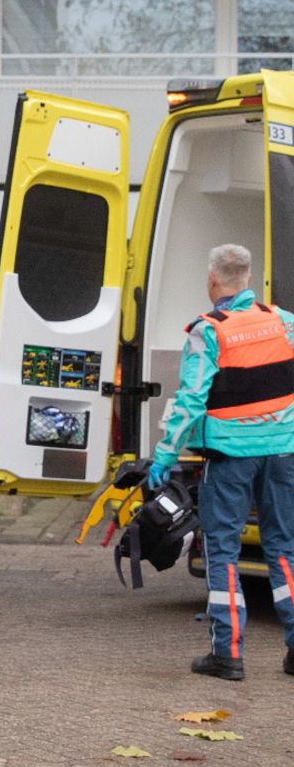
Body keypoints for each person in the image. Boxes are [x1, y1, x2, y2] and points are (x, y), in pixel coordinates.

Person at [149, 243, 294, 682]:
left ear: (213, 280)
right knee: (285, 550)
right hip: (282, 453)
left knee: (223, 551)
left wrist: (164, 455)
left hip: (230, 459)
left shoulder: (207, 331)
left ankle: (226, 654)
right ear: (249, 278)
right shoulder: (285, 322)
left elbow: (191, 401)